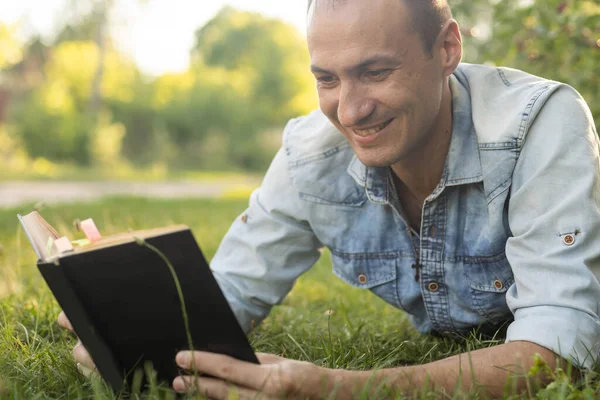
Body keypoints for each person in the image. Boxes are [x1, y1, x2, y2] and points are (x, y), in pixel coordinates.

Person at [59, 0, 600, 397]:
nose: (349, 111)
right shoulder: (309, 154)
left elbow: (560, 355)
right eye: (327, 79)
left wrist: (340, 388)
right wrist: (127, 318)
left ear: (447, 48)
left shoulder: (540, 124)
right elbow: (224, 300)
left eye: (376, 72)